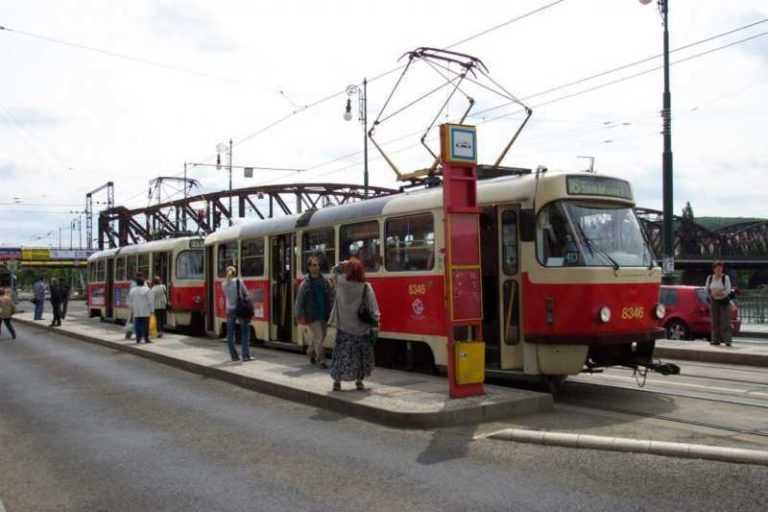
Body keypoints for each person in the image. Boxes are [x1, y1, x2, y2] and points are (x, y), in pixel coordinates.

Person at [328, 257, 380, 391]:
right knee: (360, 356)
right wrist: (376, 322)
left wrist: (342, 264)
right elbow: (373, 306)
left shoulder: (340, 283)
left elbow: (333, 271)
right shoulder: (365, 286)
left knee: (341, 355)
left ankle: (337, 382)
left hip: (344, 328)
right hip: (361, 329)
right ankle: (359, 382)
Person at [294, 255, 334, 368]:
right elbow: (299, 300)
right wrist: (297, 315)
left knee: (321, 336)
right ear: (309, 267)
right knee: (319, 335)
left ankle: (310, 351)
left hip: (324, 313)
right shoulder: (305, 284)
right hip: (311, 314)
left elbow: (331, 296)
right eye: (312, 265)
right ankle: (322, 360)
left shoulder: (325, 281)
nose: (315, 267)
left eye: (316, 265)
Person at [222, 266, 252, 362]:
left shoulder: (224, 284)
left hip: (230, 310)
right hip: (240, 310)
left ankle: (234, 356)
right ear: (235, 273)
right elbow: (246, 294)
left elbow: (227, 297)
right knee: (245, 332)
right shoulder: (239, 281)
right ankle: (245, 356)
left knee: (230, 335)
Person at [706, 260, 733, 347]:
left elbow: (728, 290)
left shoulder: (726, 278)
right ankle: (715, 340)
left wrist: (719, 293)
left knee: (725, 321)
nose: (719, 270)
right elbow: (707, 289)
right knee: (714, 321)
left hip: (724, 301)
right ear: (714, 269)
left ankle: (727, 340)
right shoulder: (710, 278)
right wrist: (713, 293)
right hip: (714, 301)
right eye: (717, 268)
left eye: (721, 268)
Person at [128, 274, 153, 344]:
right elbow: (150, 301)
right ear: (143, 283)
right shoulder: (147, 290)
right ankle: (146, 338)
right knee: (146, 325)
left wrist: (131, 309)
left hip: (136, 311)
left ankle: (138, 339)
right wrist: (152, 310)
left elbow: (130, 301)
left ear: (136, 283)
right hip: (145, 311)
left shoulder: (132, 290)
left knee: (137, 325)